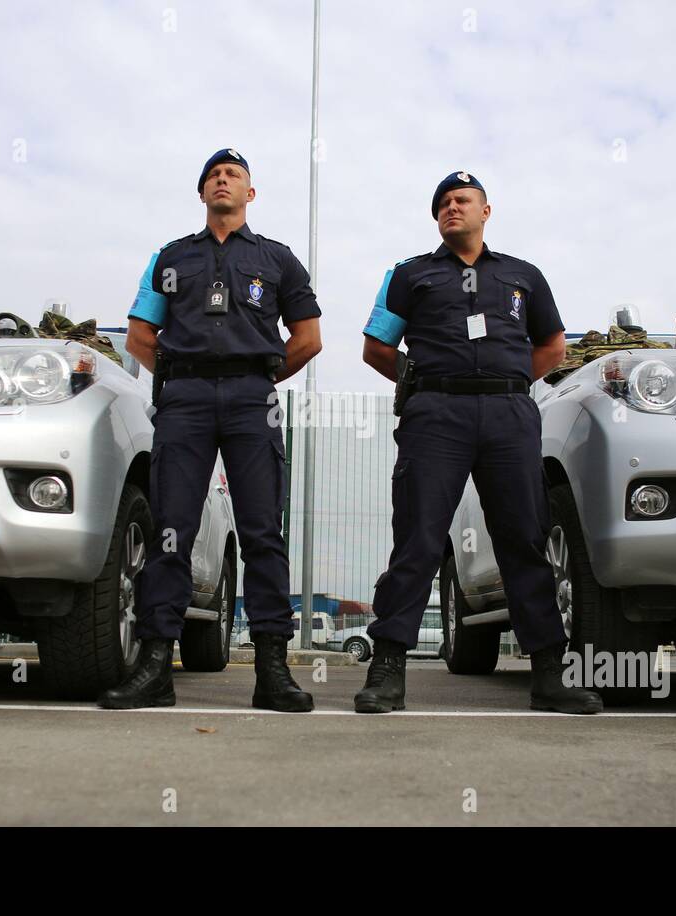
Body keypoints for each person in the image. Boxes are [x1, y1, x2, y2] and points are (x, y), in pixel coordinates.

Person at [356, 170, 602, 715]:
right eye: (442, 203)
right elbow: (376, 347)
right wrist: (420, 384)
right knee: (417, 541)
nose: (451, 208)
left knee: (523, 539)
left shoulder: (523, 277)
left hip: (509, 416)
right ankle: (388, 669)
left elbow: (553, 348)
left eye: (462, 200)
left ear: (486, 211)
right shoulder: (409, 275)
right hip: (435, 414)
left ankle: (549, 674)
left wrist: (505, 382)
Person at [100, 148, 323, 712]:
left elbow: (308, 337)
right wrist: (181, 377)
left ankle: (272, 668)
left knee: (262, 533)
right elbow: (138, 336)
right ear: (202, 194)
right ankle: (155, 666)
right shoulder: (169, 259)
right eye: (213, 176)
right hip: (186, 401)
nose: (223, 181)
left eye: (234, 176)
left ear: (251, 194)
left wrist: (261, 374)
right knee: (170, 531)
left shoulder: (278, 260)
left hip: (253, 400)